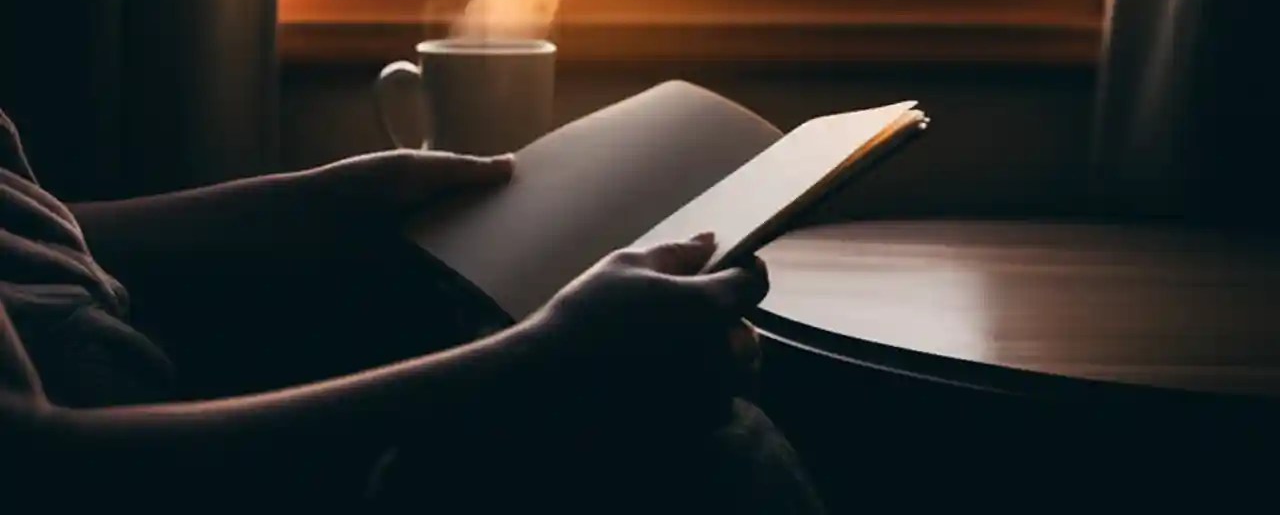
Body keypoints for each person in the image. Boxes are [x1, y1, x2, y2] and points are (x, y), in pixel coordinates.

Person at [0, 107, 825, 513]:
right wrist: (544, 354)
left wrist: (315, 202)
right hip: (153, 467)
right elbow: (40, 466)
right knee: (706, 449)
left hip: (145, 359)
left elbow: (29, 233)